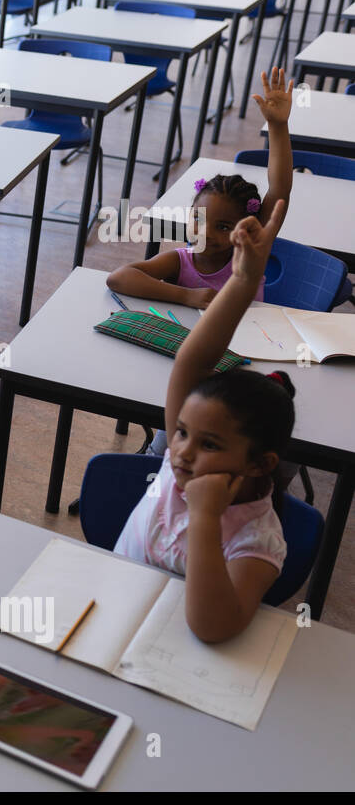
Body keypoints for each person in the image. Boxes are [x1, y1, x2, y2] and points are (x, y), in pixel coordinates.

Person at [114, 198, 296, 643]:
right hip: (114, 616)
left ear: (260, 463)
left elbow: (212, 629)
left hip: (180, 664)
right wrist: (243, 279)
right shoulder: (181, 463)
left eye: (210, 444)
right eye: (180, 433)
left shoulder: (256, 539)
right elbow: (192, 360)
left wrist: (205, 516)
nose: (181, 453)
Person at [106, 68, 294, 309]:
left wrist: (277, 126)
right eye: (199, 217)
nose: (205, 232)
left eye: (223, 226)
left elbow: (280, 192)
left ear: (248, 229)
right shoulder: (180, 261)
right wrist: (186, 296)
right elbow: (118, 278)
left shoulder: (250, 254)